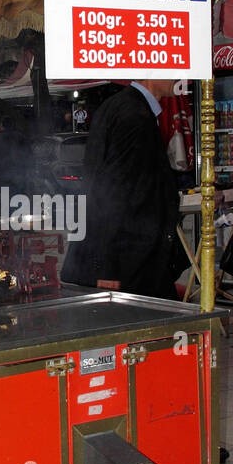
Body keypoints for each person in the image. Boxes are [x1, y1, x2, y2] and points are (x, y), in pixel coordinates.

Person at [61, 78, 185, 300]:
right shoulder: (134, 115)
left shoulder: (122, 106)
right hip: (130, 260)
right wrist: (106, 264)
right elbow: (113, 190)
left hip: (132, 256)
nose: (180, 75)